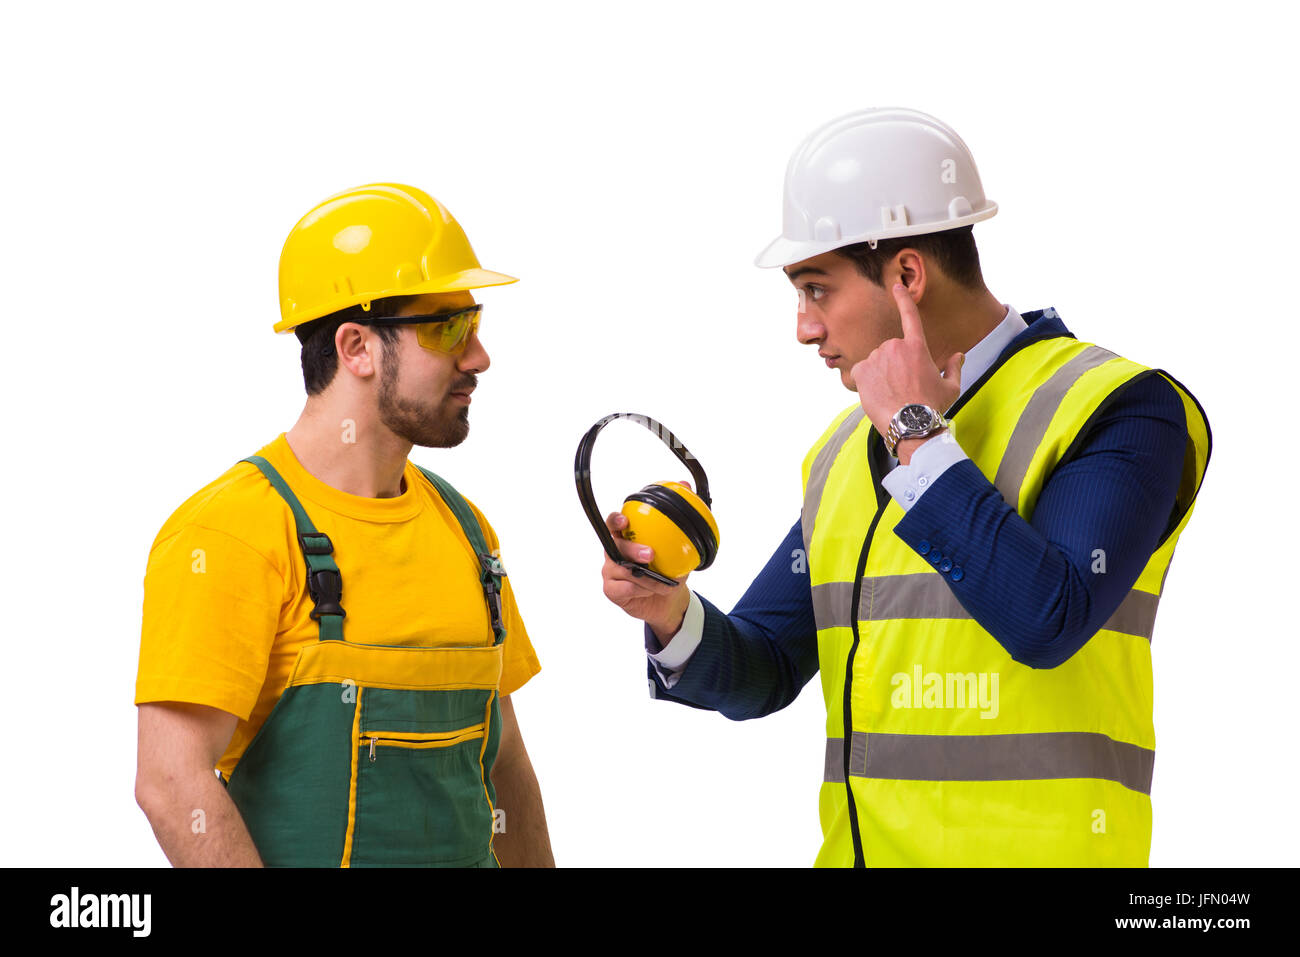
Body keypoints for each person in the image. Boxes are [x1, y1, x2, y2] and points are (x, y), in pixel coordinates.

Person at [599, 108, 1211, 867]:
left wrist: (918, 436)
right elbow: (765, 666)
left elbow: (1047, 618)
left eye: (816, 288)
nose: (802, 328)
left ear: (907, 275)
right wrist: (670, 610)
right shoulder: (842, 452)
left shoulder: (1119, 409)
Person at [135, 183, 553, 867]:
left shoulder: (467, 532)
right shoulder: (231, 533)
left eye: (474, 325)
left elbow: (504, 758)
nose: (478, 357)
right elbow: (169, 781)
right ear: (356, 346)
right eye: (449, 327)